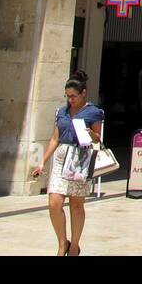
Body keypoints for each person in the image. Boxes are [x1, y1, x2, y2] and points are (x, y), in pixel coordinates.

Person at [31, 70, 103, 256]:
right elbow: (55, 138)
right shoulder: (62, 112)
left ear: (83, 93)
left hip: (80, 158)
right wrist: (42, 162)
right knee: (54, 203)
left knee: (76, 205)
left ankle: (74, 246)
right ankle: (62, 242)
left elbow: (98, 139)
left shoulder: (93, 112)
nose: (70, 100)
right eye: (68, 96)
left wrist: (88, 132)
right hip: (62, 157)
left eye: (74, 96)